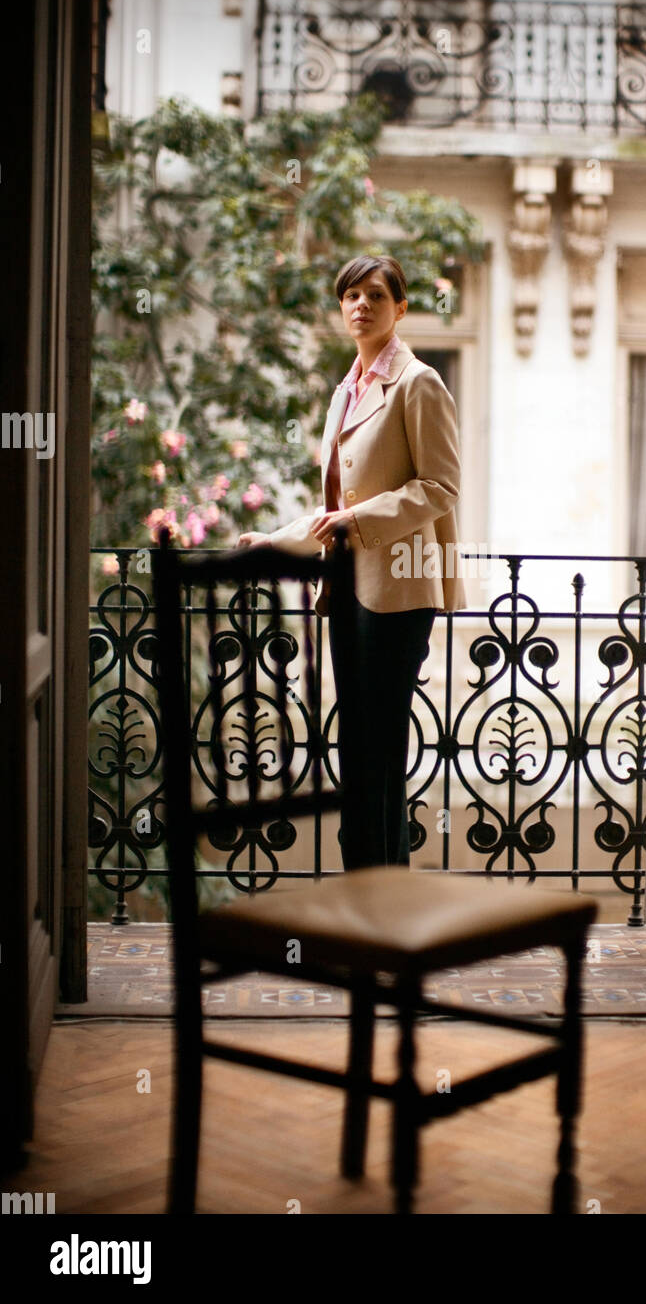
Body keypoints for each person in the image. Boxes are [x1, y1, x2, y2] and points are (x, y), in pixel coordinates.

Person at [238, 254, 465, 869]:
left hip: (399, 591)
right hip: (347, 587)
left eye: (374, 295)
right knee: (358, 745)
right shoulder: (347, 389)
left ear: (401, 307)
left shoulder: (418, 382)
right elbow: (337, 504)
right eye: (349, 296)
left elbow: (441, 487)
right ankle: (364, 887)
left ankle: (381, 890)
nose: (360, 305)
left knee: (380, 748)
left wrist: (358, 522)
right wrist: (274, 540)